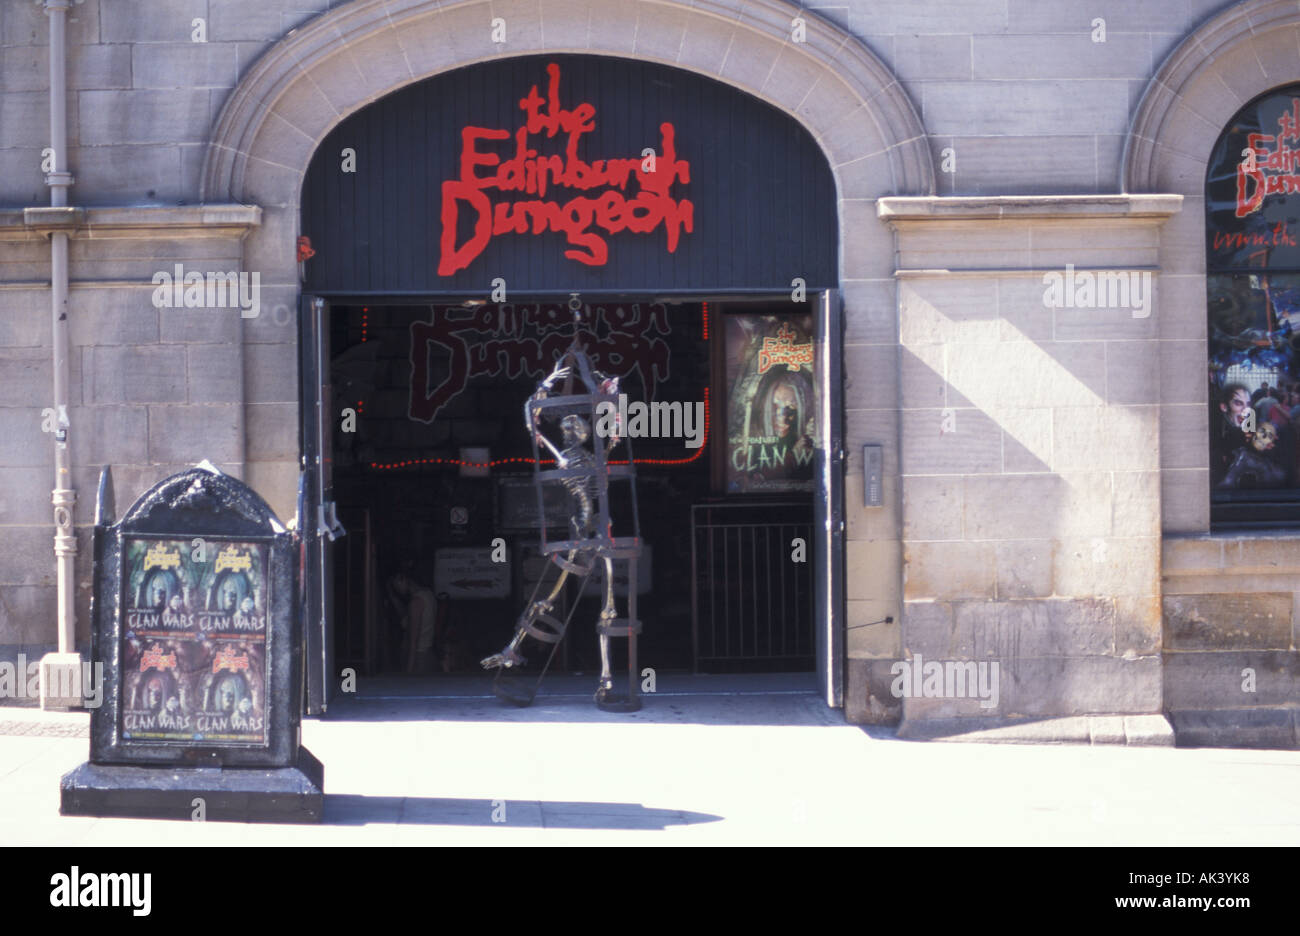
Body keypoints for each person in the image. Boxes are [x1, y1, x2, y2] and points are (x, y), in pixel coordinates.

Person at [389, 571, 437, 674]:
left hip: (419, 657)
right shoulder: (428, 594)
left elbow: (413, 641)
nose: (397, 589)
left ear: (403, 579)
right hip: (428, 651)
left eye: (396, 584)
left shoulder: (416, 602)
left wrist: (409, 671)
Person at [1210, 383, 1250, 487]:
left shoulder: (1246, 430)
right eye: (1238, 403)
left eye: (1248, 404)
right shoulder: (1218, 429)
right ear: (1224, 407)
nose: (1246, 410)